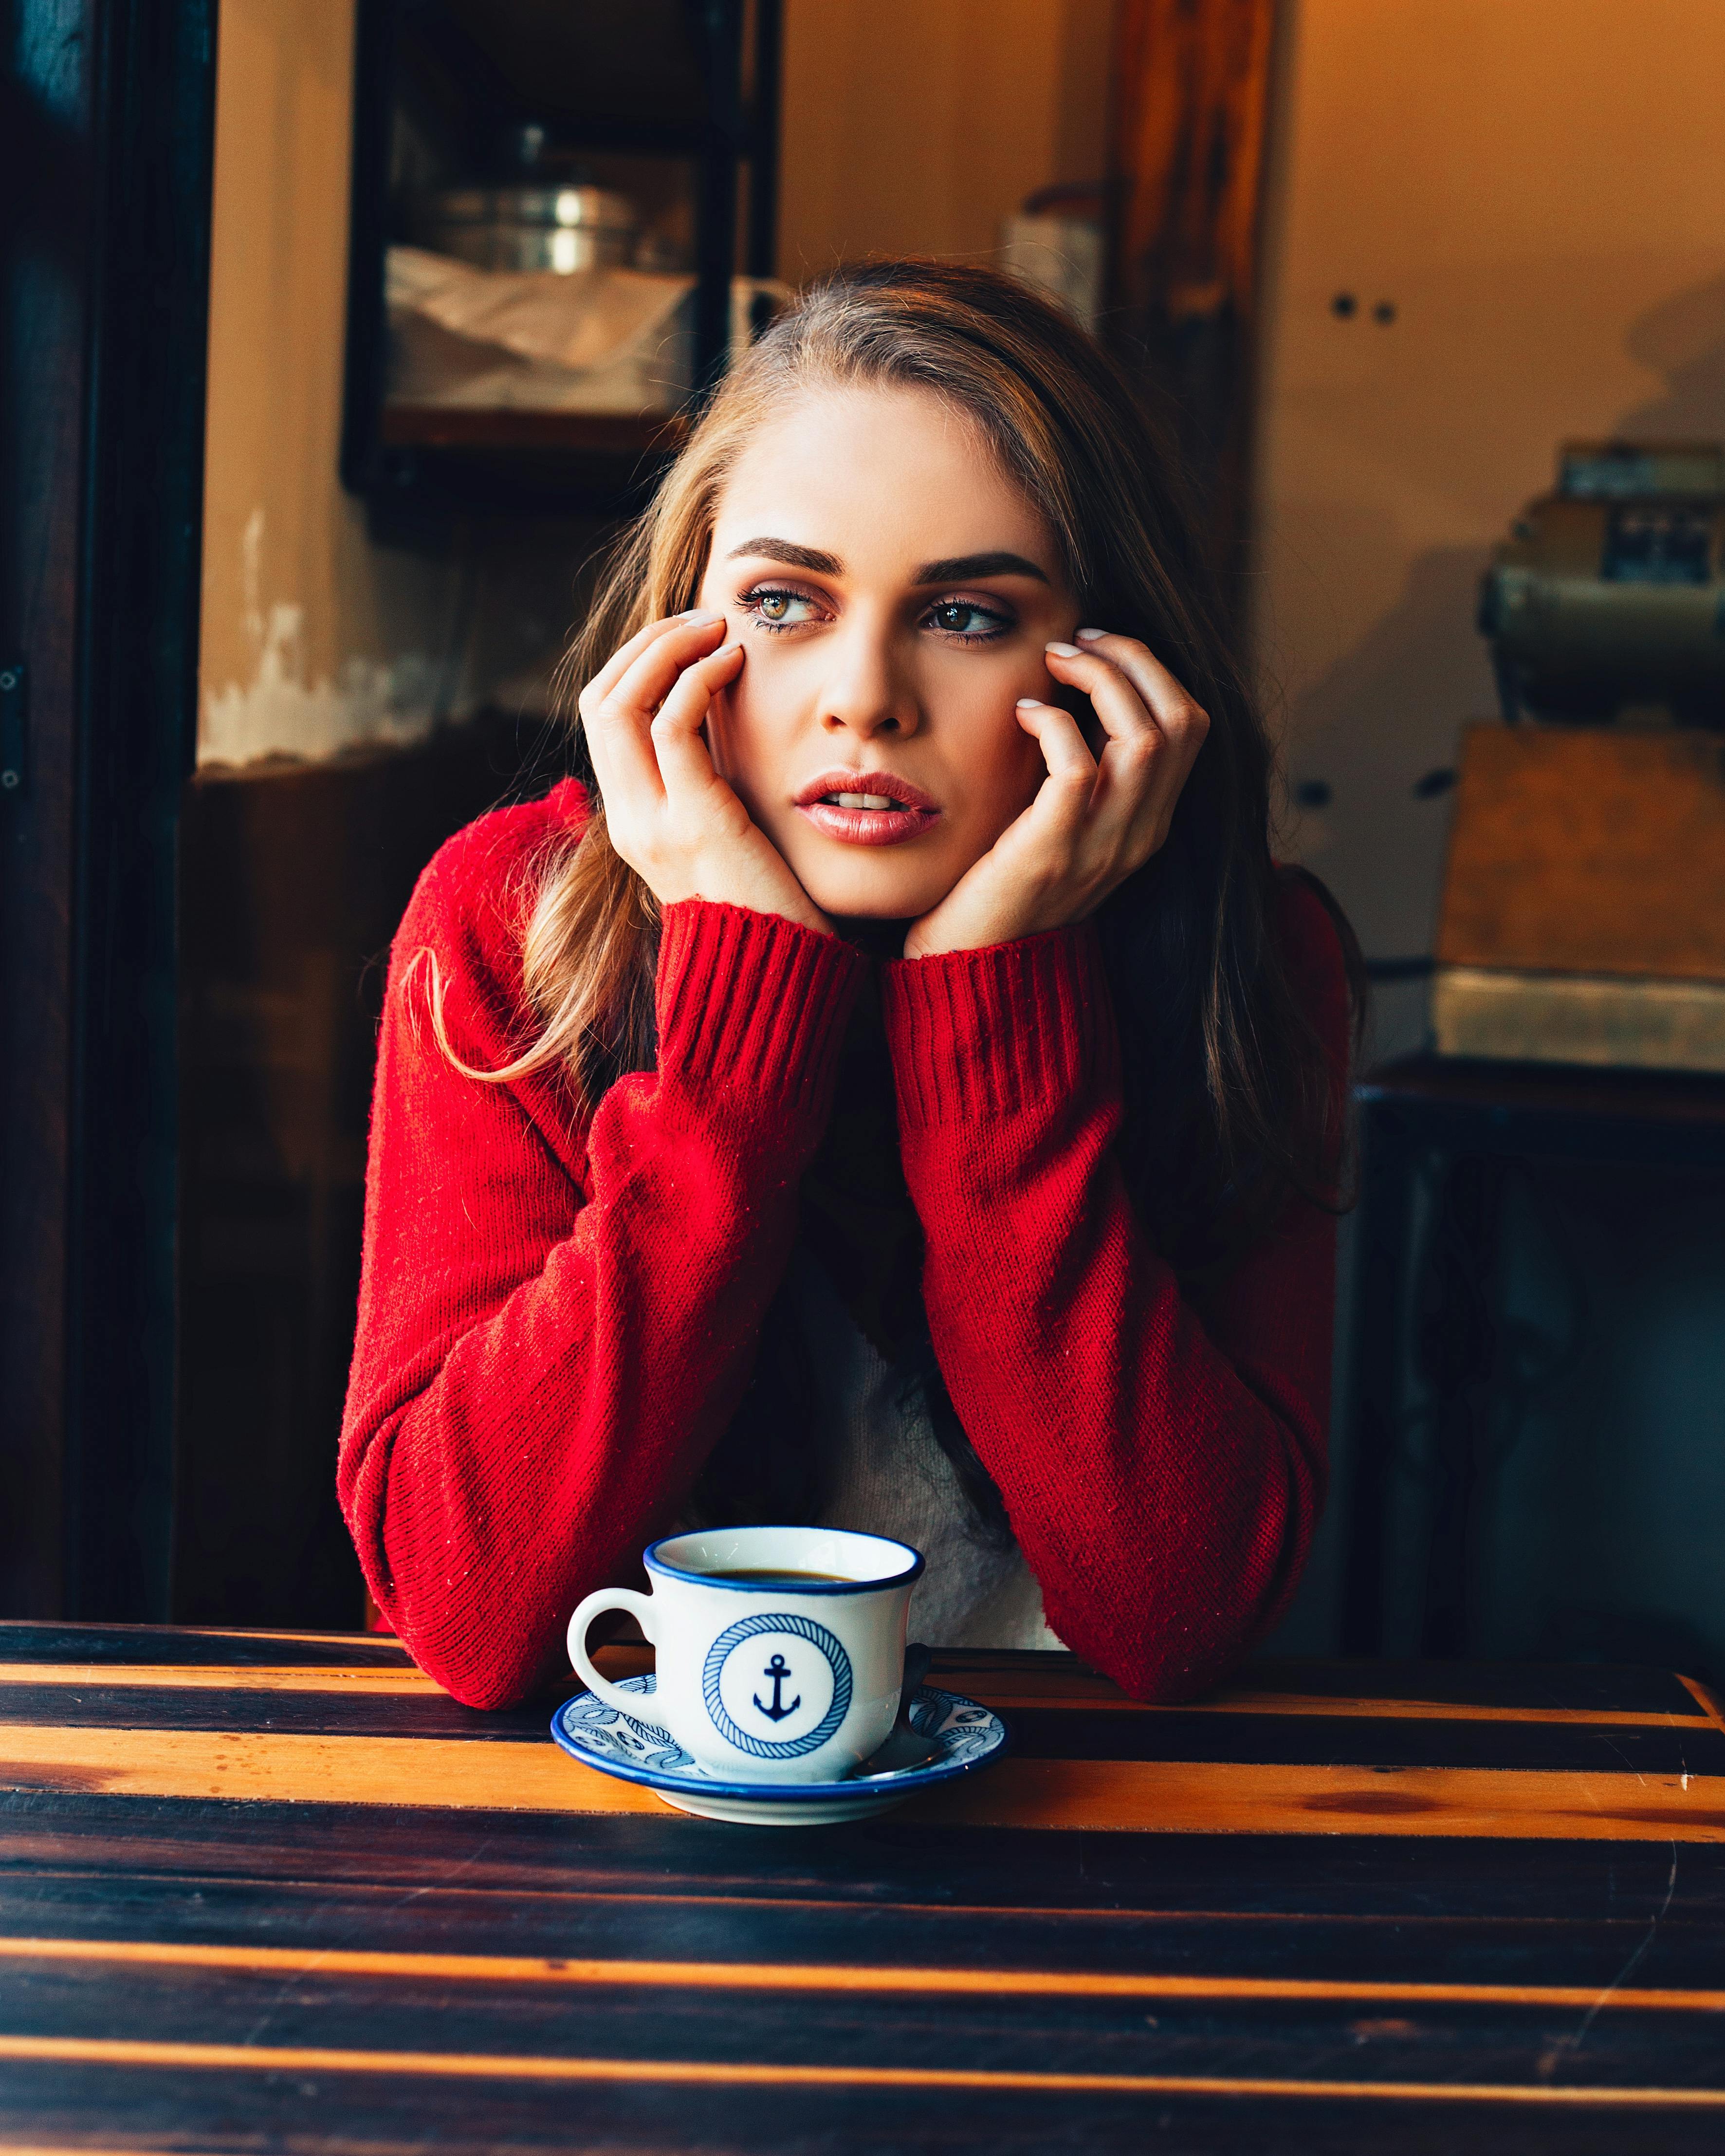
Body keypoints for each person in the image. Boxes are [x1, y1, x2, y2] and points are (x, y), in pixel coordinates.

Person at [338, 260, 1363, 1712]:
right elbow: (466, 1607)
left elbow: (1178, 1616)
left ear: (1110, 665)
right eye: (782, 602)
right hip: (616, 1849)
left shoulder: (1246, 957)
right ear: (679, 636)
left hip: (1077, 1842)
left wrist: (992, 998)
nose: (864, 696)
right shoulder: (512, 921)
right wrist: (735, 1042)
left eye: (965, 616)